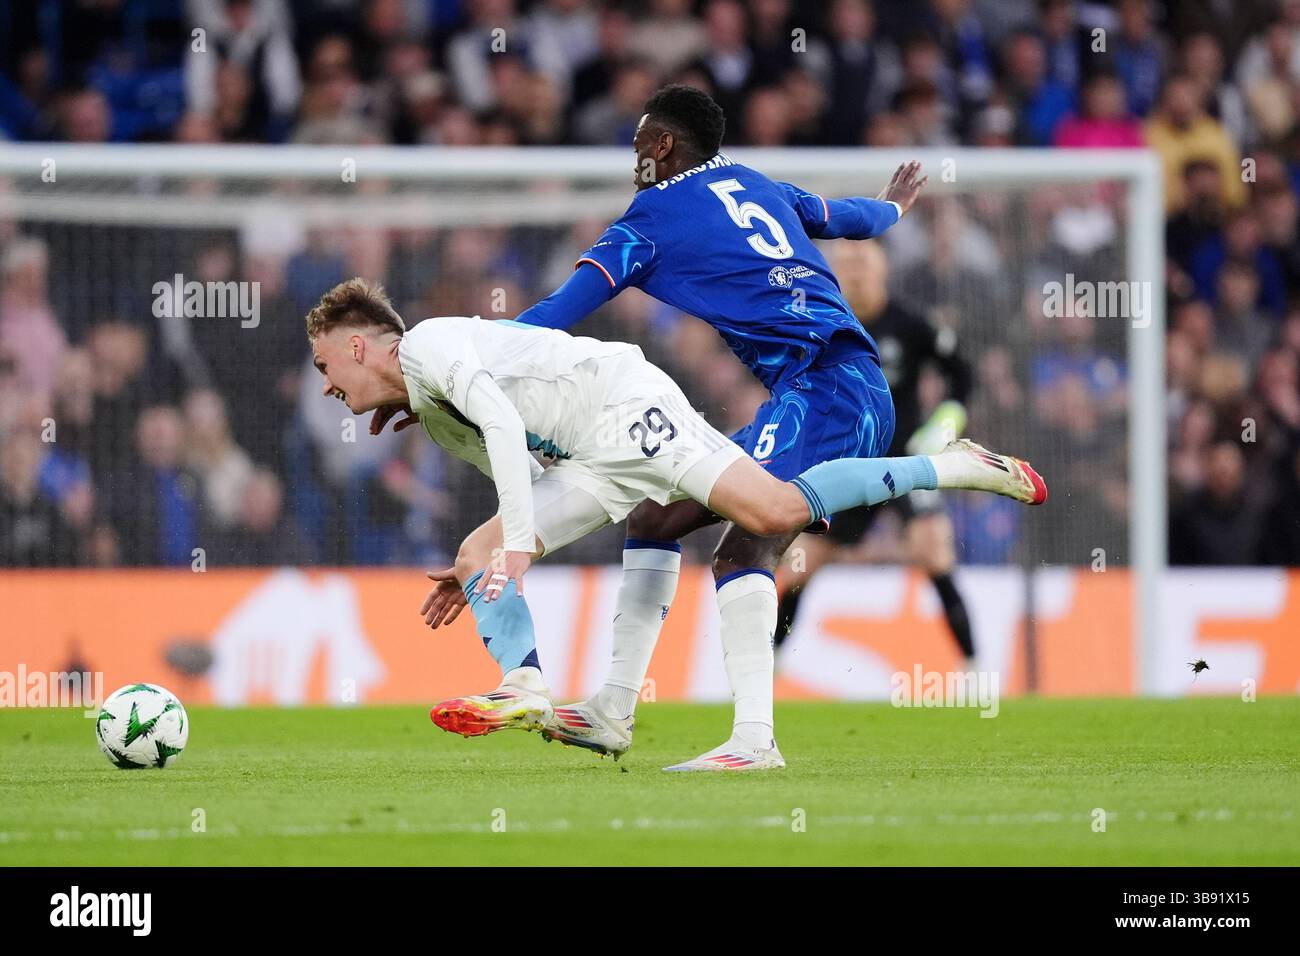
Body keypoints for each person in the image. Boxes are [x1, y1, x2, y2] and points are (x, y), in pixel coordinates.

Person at [309, 280, 1046, 769]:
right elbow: (524, 470)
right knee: (481, 549)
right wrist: (493, 567)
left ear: (357, 346)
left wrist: (522, 547)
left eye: (324, 365)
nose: (326, 385)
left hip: (626, 406)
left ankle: (950, 466)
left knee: (771, 510)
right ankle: (538, 687)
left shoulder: (431, 343)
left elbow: (502, 425)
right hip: (590, 457)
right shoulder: (431, 408)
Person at [485, 83, 953, 772]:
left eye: (640, 144)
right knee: (654, 516)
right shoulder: (755, 183)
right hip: (832, 390)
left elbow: (555, 313)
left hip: (826, 391)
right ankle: (615, 707)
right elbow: (846, 217)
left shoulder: (650, 218)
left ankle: (755, 740)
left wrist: (465, 361)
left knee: (743, 548)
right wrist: (893, 207)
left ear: (664, 143)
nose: (635, 159)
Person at [776, 240, 977, 664]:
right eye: (846, 262)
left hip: (906, 464)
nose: (855, 270)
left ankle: (974, 670)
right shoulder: (822, 326)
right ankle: (767, 670)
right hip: (846, 466)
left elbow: (962, 372)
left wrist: (945, 424)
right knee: (799, 568)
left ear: (883, 267)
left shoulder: (912, 324)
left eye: (863, 260)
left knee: (934, 552)